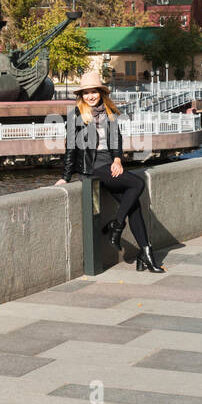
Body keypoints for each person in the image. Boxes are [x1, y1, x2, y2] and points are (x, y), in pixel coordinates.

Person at [56, 70, 164, 273]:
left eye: (93, 92)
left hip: (109, 164)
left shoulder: (109, 112)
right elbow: (70, 148)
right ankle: (117, 225)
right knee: (137, 183)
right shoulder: (75, 117)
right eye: (86, 93)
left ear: (100, 92)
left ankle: (145, 252)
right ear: (81, 96)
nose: (90, 96)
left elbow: (117, 141)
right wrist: (65, 177)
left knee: (134, 206)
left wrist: (117, 159)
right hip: (93, 168)